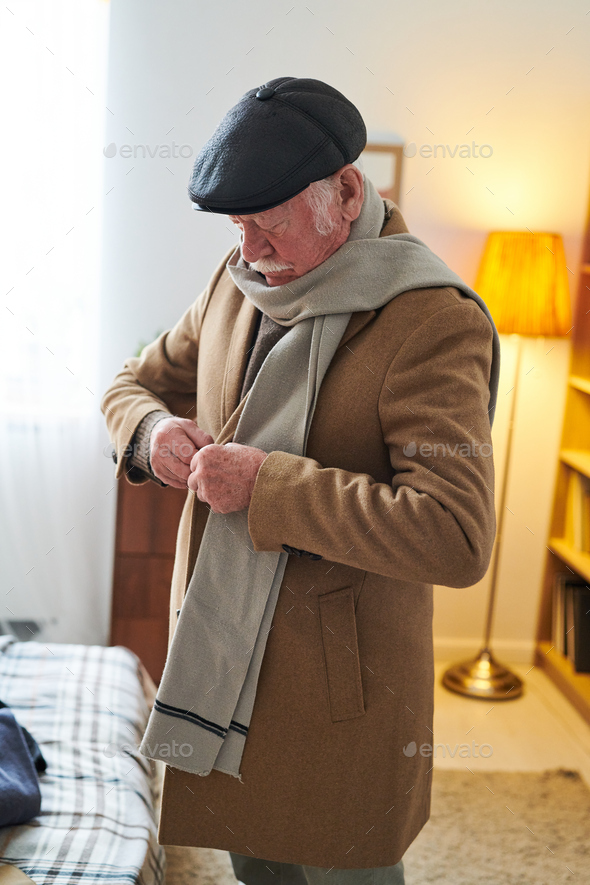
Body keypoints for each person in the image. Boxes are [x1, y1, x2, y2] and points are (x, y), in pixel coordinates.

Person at [102, 76, 500, 885]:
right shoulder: (236, 279)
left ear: (346, 193)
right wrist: (153, 434)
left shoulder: (431, 321)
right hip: (222, 669)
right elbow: (130, 385)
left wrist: (270, 488)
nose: (249, 249)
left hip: (336, 700)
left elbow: (456, 535)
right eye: (237, 225)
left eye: (268, 224)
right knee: (257, 871)